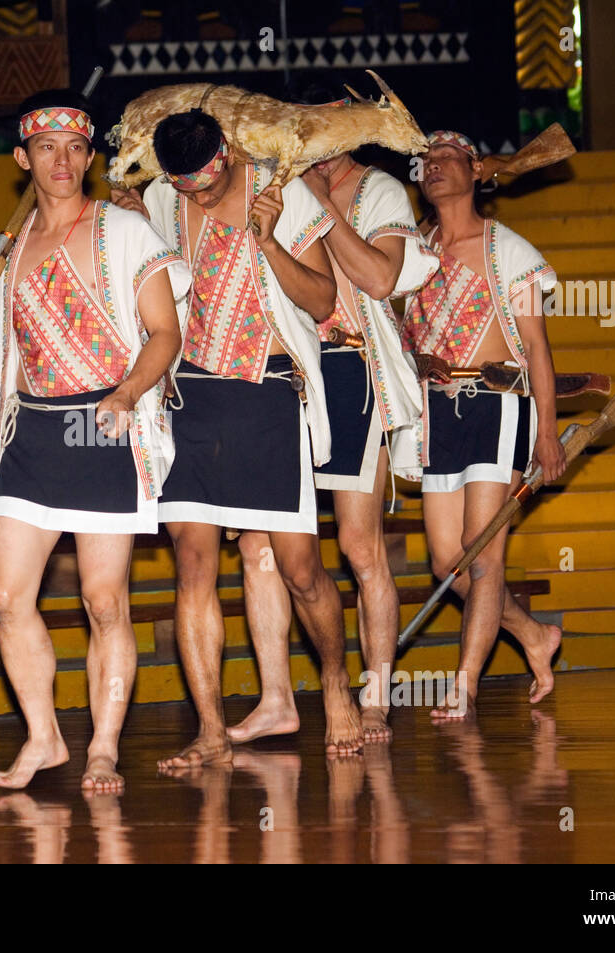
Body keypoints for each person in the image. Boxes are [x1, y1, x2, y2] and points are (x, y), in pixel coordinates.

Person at [112, 108, 365, 764]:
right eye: (186, 186)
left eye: (208, 181)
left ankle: (336, 684)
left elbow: (321, 300)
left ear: (227, 150)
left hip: (269, 393)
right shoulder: (168, 198)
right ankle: (211, 730)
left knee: (301, 568)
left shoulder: (285, 195)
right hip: (190, 396)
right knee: (193, 564)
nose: (199, 194)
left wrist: (270, 241)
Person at [0, 90, 186, 791]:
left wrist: (126, 393)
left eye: (74, 148)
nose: (62, 161)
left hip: (103, 427)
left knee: (104, 600)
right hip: (30, 431)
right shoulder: (6, 250)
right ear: (22, 157)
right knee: (8, 594)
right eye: (46, 147)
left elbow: (165, 332)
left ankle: (102, 745)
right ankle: (44, 738)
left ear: (90, 157)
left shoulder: (123, 232)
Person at [229, 145, 437, 746]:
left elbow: (378, 278)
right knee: (258, 543)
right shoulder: (259, 182)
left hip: (347, 368)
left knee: (358, 545)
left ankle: (375, 696)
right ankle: (276, 700)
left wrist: (320, 204)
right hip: (279, 373)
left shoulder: (380, 190)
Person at [400, 130, 564, 717]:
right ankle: (532, 634)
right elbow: (402, 335)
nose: (434, 167)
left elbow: (538, 350)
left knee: (483, 552)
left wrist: (546, 431)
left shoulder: (507, 249)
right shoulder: (412, 251)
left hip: (497, 404)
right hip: (438, 411)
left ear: (476, 173)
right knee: (448, 561)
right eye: (427, 161)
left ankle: (464, 684)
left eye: (448, 159)